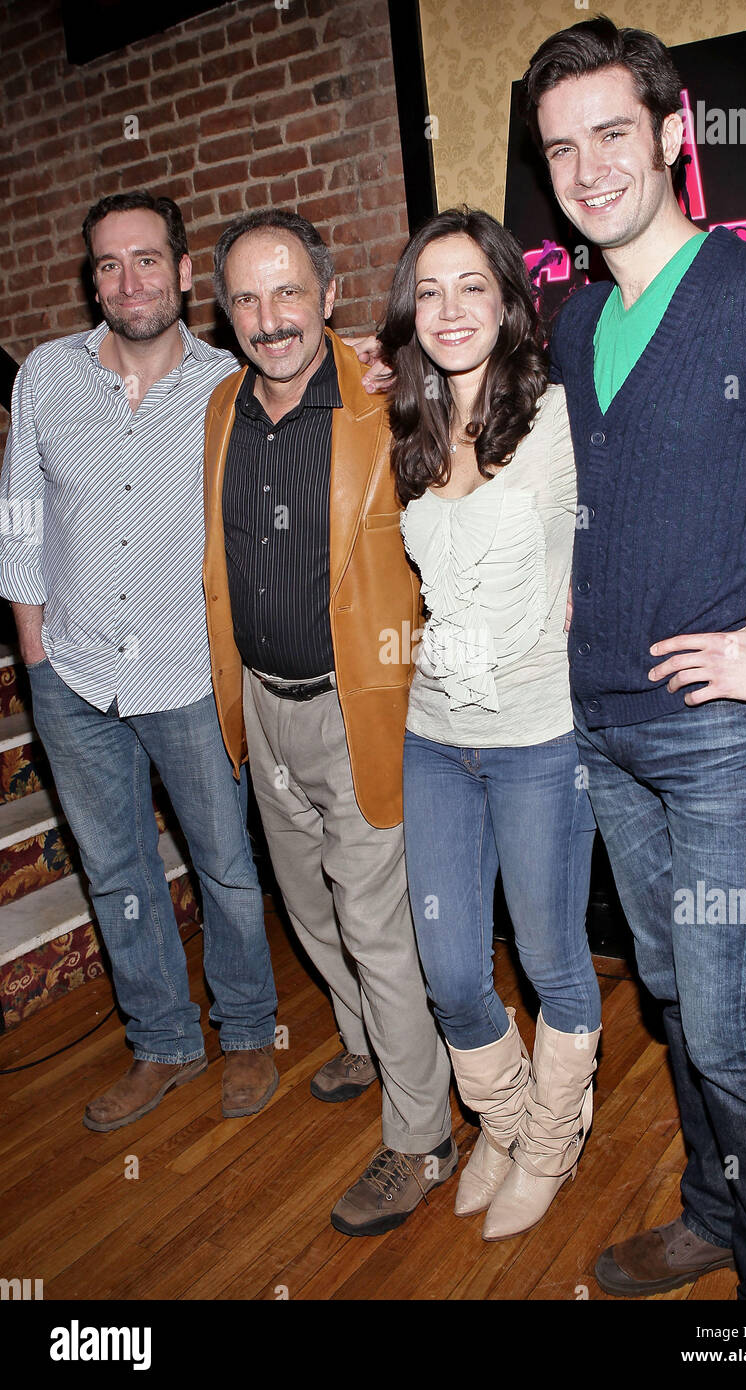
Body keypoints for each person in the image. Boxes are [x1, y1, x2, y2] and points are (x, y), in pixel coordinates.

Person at [373, 206, 746, 1244]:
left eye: (472, 285)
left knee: (551, 960)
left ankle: (550, 1142)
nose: (448, 309)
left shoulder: (563, 417)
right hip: (435, 733)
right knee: (447, 967)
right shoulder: (405, 423)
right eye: (426, 290)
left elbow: (692, 488)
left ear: (511, 301)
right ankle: (508, 1120)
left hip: (539, 738)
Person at [518, 16, 746, 1298]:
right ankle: (717, 1213)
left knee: (728, 1027)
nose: (587, 166)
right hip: (600, 727)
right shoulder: (571, 325)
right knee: (669, 992)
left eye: (612, 132)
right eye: (560, 147)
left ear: (672, 135)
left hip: (714, 732)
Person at [0, 192, 279, 1129]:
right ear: (93, 279)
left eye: (148, 261)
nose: (129, 282)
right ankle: (162, 1043)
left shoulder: (227, 386)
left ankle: (246, 1033)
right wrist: (34, 647)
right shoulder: (44, 375)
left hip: (190, 673)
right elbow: (22, 518)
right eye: (109, 266)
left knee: (226, 866)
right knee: (115, 871)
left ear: (187, 272)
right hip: (73, 671)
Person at [202, 209, 455, 1237]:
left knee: (375, 928)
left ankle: (421, 1138)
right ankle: (360, 1040)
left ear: (328, 297)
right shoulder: (219, 407)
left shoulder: (388, 403)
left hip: (361, 710)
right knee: (305, 907)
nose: (269, 319)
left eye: (288, 293)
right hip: (263, 704)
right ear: (223, 314)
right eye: (247, 300)